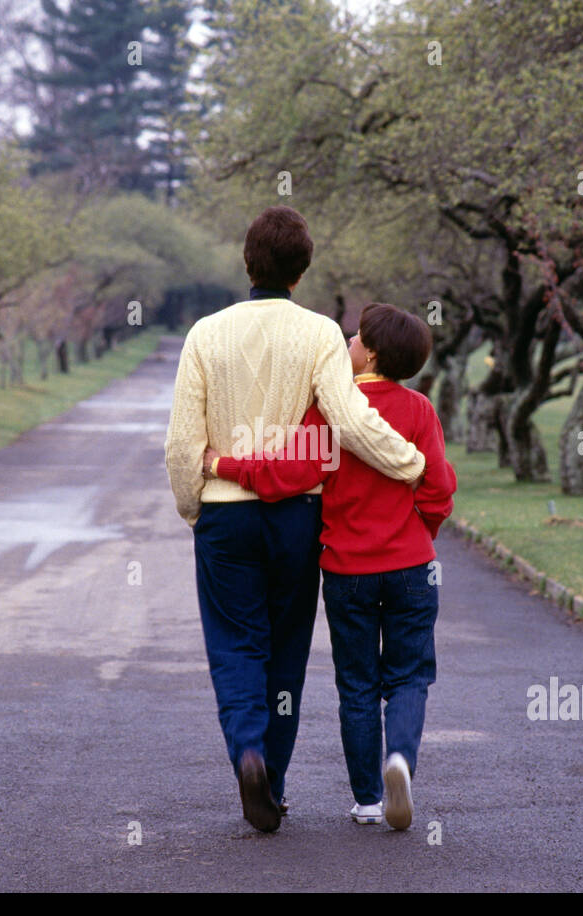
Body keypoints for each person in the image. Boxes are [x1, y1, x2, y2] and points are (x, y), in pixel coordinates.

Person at [164, 207, 426, 833]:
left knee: (235, 648)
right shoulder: (319, 335)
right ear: (302, 271)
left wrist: (193, 506)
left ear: (245, 261)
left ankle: (248, 754)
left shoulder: (205, 334)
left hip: (226, 518)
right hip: (296, 517)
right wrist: (410, 461)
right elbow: (349, 419)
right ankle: (273, 786)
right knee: (284, 657)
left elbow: (181, 444)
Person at [205, 303, 456, 830]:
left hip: (348, 572)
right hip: (412, 566)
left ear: (373, 353)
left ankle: (367, 799)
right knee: (410, 675)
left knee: (358, 684)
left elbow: (285, 474)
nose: (347, 341)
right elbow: (438, 489)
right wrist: (419, 533)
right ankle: (400, 760)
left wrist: (221, 464)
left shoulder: (332, 410)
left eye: (356, 337)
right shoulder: (419, 411)